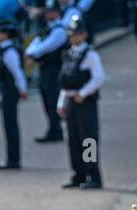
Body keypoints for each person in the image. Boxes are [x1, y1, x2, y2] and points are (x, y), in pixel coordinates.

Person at [58, 16, 104, 189]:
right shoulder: (69, 54)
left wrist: (83, 93)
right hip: (71, 101)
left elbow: (99, 78)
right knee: (73, 140)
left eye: (76, 34)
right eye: (71, 35)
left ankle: (93, 175)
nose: (73, 38)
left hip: (85, 103)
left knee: (88, 140)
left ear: (84, 35)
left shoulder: (90, 54)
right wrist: (61, 102)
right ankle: (78, 174)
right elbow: (65, 82)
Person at [25, 0, 67, 143]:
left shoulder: (60, 30)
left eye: (51, 11)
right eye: (47, 11)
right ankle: (52, 128)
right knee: (46, 99)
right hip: (44, 68)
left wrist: (32, 54)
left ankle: (57, 129)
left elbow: (46, 46)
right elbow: (36, 43)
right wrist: (30, 53)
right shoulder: (46, 28)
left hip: (54, 69)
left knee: (53, 99)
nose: (49, 14)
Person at [0, 21, 28, 170]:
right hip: (6, 89)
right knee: (8, 125)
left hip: (10, 90)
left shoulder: (9, 52)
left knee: (11, 125)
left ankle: (14, 159)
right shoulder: (3, 50)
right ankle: (12, 158)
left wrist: (22, 89)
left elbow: (17, 72)